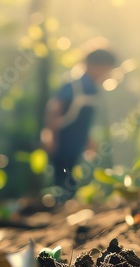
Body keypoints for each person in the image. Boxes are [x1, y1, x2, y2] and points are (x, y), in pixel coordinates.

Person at [42, 49, 117, 200]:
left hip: (79, 142)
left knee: (74, 177)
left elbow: (84, 119)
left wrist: (89, 140)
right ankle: (58, 207)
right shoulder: (74, 85)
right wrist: (49, 135)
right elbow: (54, 108)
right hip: (62, 140)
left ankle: (67, 204)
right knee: (61, 176)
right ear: (94, 65)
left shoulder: (93, 89)